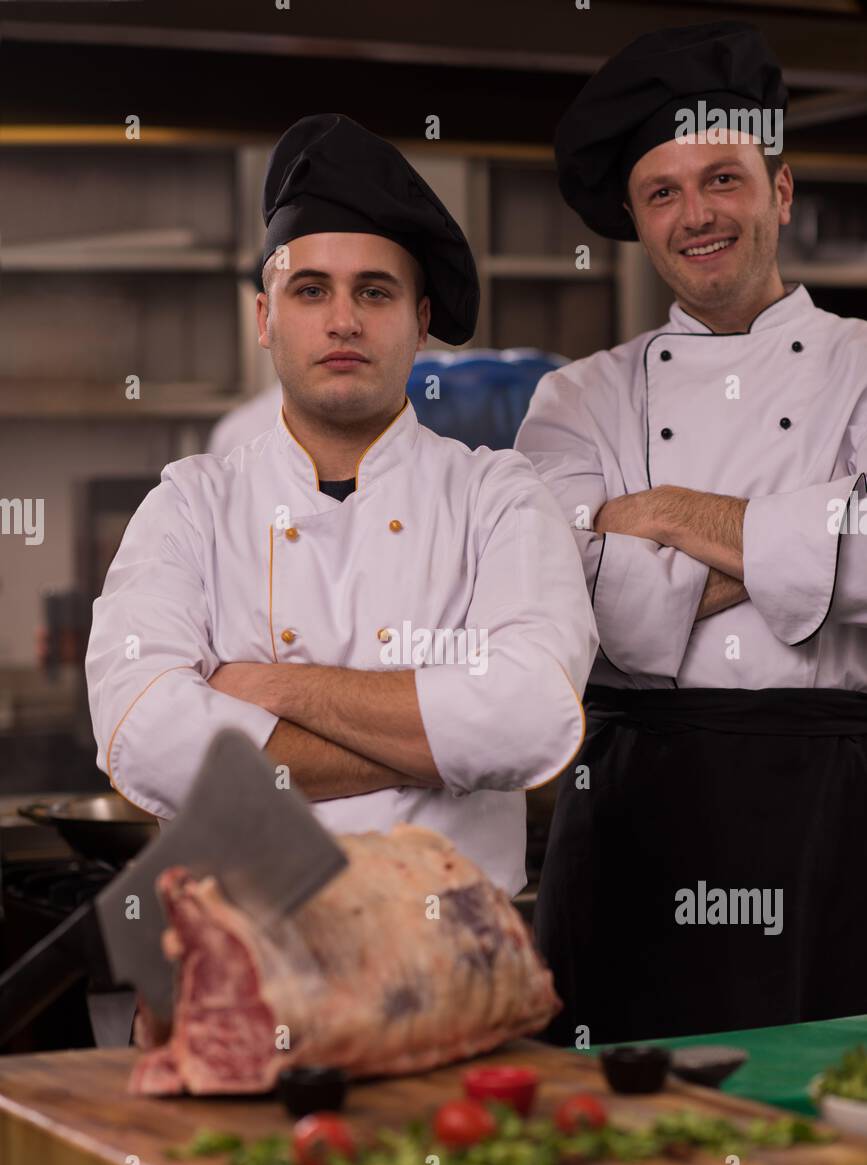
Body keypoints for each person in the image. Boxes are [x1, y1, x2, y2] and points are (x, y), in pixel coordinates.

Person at [86, 113, 598, 895]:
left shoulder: (498, 497)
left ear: (419, 322)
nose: (342, 320)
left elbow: (530, 716)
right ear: (265, 317)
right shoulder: (189, 504)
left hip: (445, 964)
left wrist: (278, 688)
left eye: (375, 291)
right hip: (250, 957)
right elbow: (144, 738)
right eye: (310, 289)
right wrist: (440, 751)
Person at [515, 23, 867, 1042]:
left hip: (833, 812)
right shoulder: (574, 399)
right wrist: (812, 536)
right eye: (663, 191)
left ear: (782, 191)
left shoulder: (858, 361)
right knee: (618, 1126)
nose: (697, 214)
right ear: (634, 217)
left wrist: (662, 517)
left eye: (724, 179)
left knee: (827, 1122)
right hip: (635, 808)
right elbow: (576, 605)